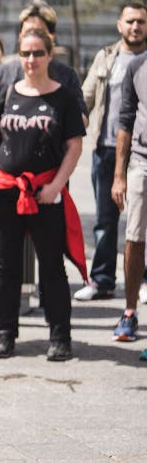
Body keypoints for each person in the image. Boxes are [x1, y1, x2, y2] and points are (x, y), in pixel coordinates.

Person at [0, 28, 86, 361]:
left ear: (50, 55)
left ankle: (60, 336)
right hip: (7, 192)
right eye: (25, 53)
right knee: (6, 267)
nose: (31, 60)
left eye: (37, 53)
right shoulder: (8, 91)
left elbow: (74, 147)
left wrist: (55, 187)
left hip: (45, 193)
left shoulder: (62, 97)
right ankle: (5, 333)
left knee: (51, 266)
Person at [75, 2, 147, 304]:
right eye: (130, 21)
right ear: (119, 24)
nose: (135, 26)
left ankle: (143, 282)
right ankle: (103, 279)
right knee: (106, 221)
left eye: (141, 22)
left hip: (141, 152)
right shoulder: (106, 58)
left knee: (141, 223)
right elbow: (84, 99)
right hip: (106, 149)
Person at [0, 0, 87, 127]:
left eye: (39, 33)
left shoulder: (66, 74)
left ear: (51, 37)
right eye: (27, 33)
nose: (32, 38)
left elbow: (83, 119)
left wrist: (50, 116)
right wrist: (10, 114)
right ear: (20, 36)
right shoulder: (3, 72)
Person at [112, 33, 147, 344]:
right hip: (141, 162)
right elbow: (125, 121)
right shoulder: (137, 66)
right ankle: (129, 312)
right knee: (134, 238)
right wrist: (119, 175)